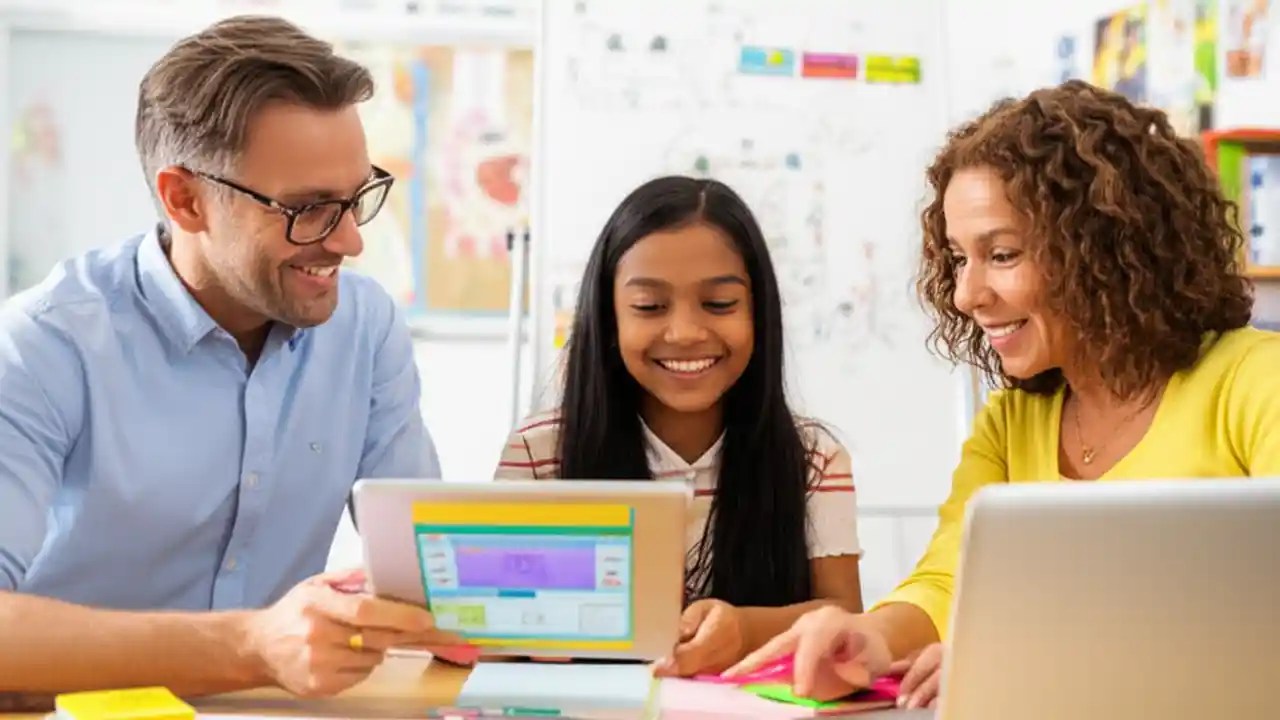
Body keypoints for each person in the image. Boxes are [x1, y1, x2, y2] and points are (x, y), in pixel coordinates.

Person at [726, 79, 1280, 708]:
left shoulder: (1255, 382)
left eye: (1003, 254)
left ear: (1106, 248)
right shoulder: (1014, 422)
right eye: (960, 258)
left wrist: (1049, 659)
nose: (966, 294)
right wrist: (868, 636)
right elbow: (946, 580)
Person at [0, 16, 460, 703]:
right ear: (185, 200)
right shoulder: (45, 345)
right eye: (307, 209)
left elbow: (428, 567)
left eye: (356, 198)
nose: (350, 243)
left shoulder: (365, 328)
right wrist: (252, 646)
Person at [494, 176, 863, 677]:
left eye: (719, 305)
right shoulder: (540, 452)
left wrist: (745, 629)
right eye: (649, 306)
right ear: (609, 317)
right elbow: (491, 626)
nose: (686, 332)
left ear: (760, 312)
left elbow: (843, 616)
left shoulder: (813, 458)